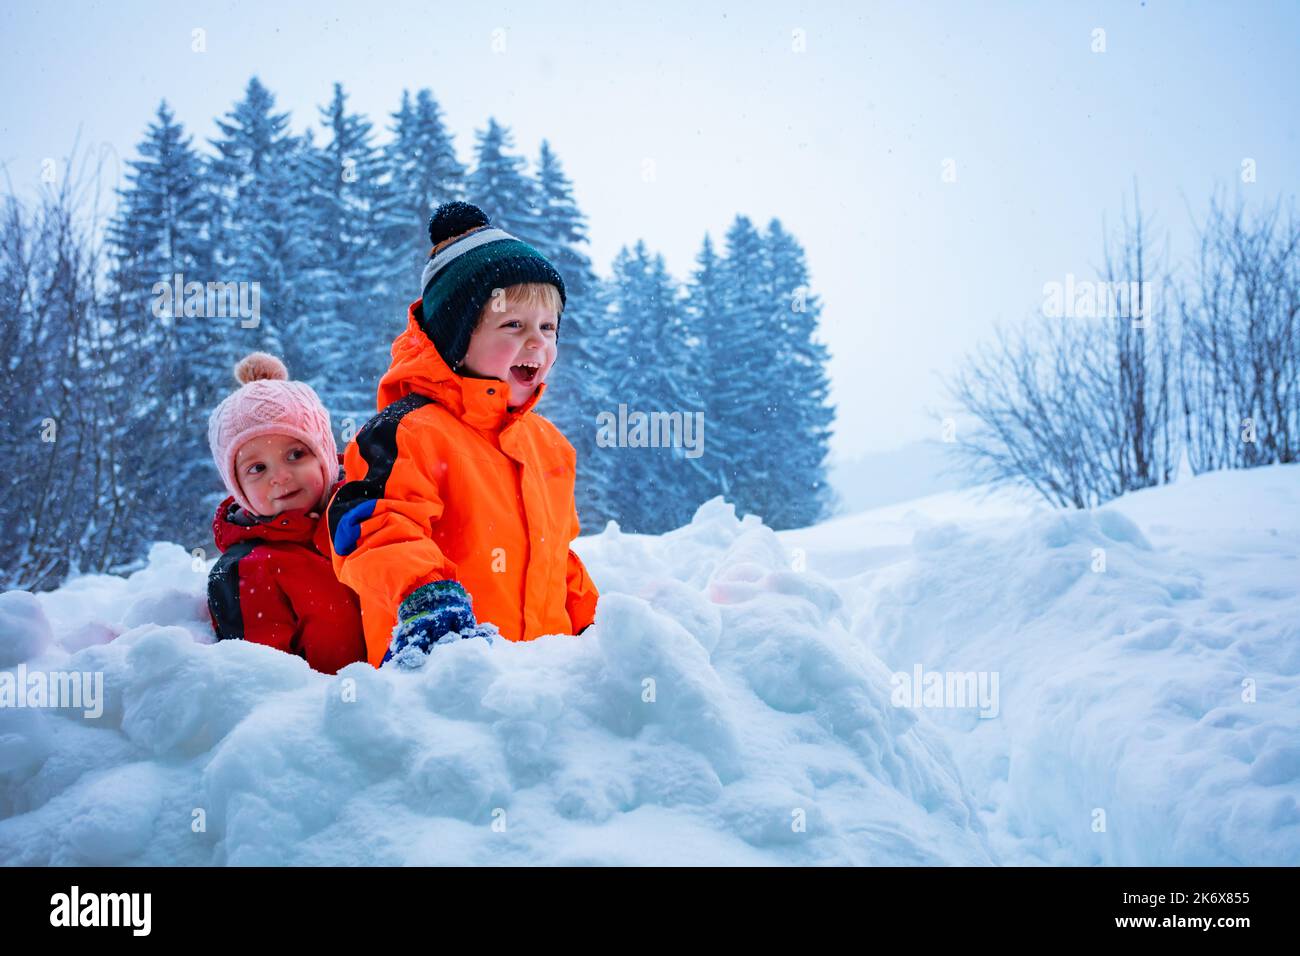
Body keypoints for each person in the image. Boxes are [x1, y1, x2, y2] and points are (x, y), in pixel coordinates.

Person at [328, 201, 599, 668]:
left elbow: (558, 560)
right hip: (442, 687)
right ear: (456, 337)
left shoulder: (550, 446)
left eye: (547, 327)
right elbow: (371, 526)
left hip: (543, 692)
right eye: (512, 324)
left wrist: (596, 628)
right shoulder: (410, 431)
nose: (536, 342)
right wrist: (425, 595)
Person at [206, 352, 367, 674]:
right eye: (257, 468)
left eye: (296, 454)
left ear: (324, 454)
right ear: (236, 486)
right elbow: (266, 684)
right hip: (330, 717)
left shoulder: (373, 515)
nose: (279, 476)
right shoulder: (250, 571)